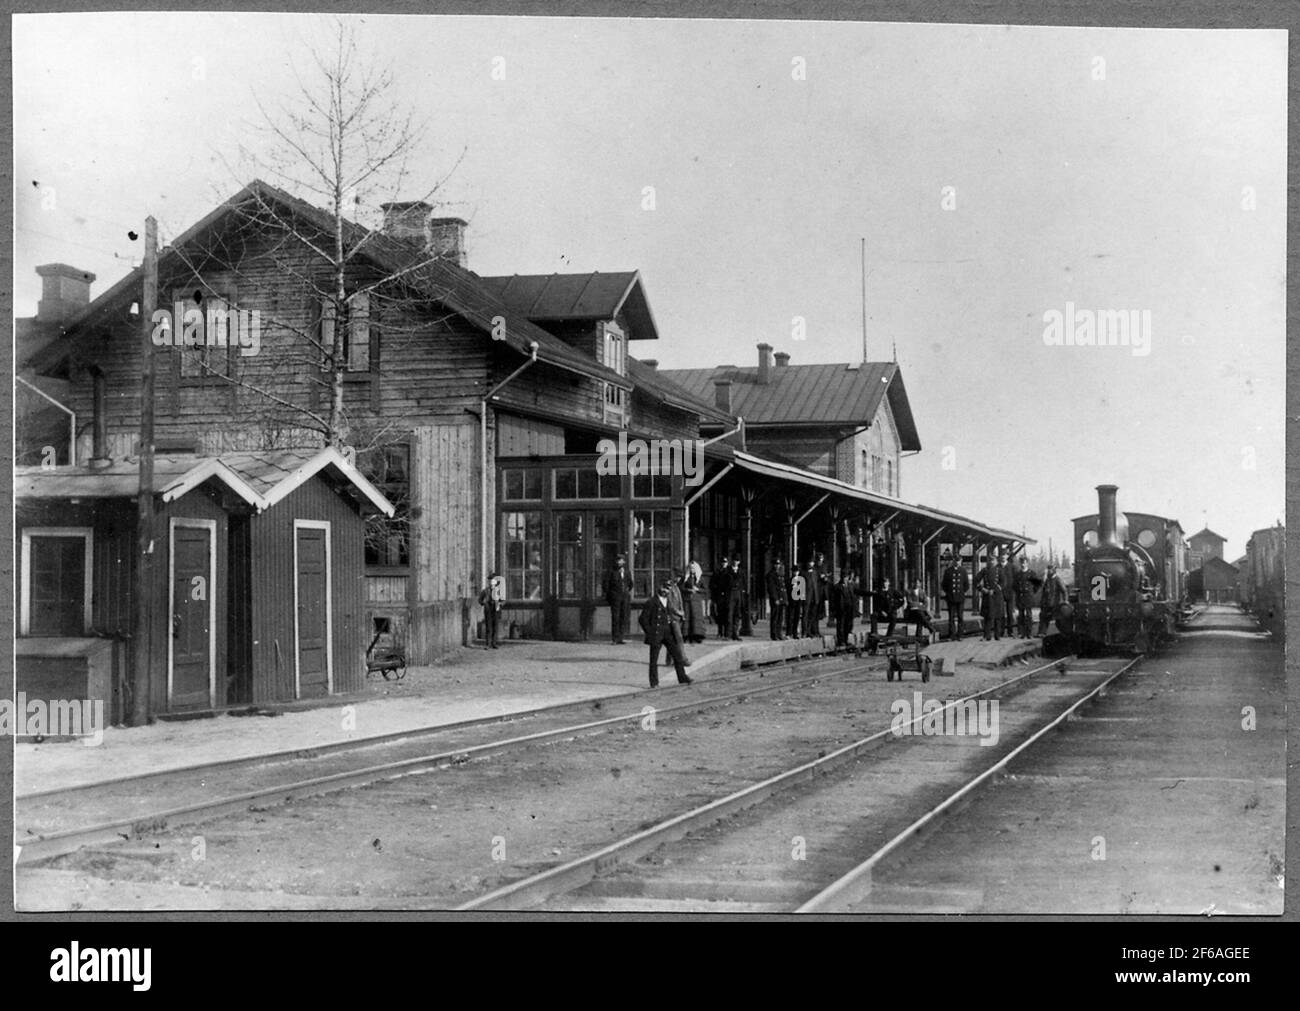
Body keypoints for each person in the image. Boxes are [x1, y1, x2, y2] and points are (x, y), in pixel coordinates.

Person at [638, 577, 692, 688]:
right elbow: (642, 619)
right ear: (659, 588)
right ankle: (654, 683)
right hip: (656, 634)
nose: (665, 591)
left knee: (677, 656)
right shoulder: (652, 602)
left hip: (667, 633)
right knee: (653, 660)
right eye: (664, 588)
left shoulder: (668, 601)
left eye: (668, 589)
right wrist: (650, 632)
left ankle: (682, 678)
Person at [603, 554, 633, 644]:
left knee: (623, 616)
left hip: (624, 597)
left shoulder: (627, 572)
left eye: (622, 561)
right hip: (615, 597)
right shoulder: (611, 571)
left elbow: (630, 583)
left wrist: (626, 592)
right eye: (618, 560)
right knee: (615, 617)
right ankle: (615, 638)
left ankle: (621, 637)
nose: (620, 562)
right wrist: (611, 594)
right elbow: (606, 584)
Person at [941, 556, 971, 640]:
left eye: (959, 561)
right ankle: (952, 635)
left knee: (960, 617)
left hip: (960, 598)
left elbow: (966, 585)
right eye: (956, 561)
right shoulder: (948, 571)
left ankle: (960, 635)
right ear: (953, 561)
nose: (957, 562)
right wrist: (948, 593)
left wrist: (962, 592)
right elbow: (944, 585)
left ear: (961, 561)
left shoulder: (963, 571)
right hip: (951, 597)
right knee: (951, 617)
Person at [680, 561, 708, 644]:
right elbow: (681, 588)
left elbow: (705, 589)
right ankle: (686, 635)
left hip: (696, 601)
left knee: (696, 617)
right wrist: (688, 590)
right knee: (687, 616)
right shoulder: (685, 578)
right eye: (691, 568)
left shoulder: (700, 578)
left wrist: (698, 590)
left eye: (693, 568)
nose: (692, 570)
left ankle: (697, 635)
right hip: (687, 600)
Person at [477, 571, 505, 649]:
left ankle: (494, 643)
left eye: (493, 580)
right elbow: (479, 600)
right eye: (490, 580)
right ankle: (487, 644)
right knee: (488, 627)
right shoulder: (485, 591)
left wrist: (500, 604)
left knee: (495, 626)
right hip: (488, 609)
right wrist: (484, 602)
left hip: (496, 609)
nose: (492, 582)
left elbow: (503, 601)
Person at [977, 555, 1003, 640]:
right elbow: (975, 581)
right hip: (987, 596)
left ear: (996, 561)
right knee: (987, 617)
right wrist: (982, 589)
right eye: (990, 560)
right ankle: (987, 635)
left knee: (997, 617)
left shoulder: (999, 571)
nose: (992, 562)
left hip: (997, 596)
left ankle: (997, 635)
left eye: (993, 560)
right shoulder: (984, 570)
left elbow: (1004, 582)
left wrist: (995, 590)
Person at [1038, 563, 1067, 636]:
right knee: (1043, 617)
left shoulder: (1057, 579)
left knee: (1059, 620)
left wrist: (1065, 600)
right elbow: (1044, 592)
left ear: (1054, 570)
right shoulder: (1047, 580)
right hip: (1047, 603)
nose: (1049, 571)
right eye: (1048, 569)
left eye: (1050, 569)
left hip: (1055, 603)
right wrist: (1042, 602)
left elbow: (1064, 590)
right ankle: (1042, 633)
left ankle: (1065, 632)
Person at [1014, 556, 1038, 639]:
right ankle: (1021, 633)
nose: (1023, 564)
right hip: (1020, 597)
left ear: (1027, 563)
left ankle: (1029, 633)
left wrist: (1031, 592)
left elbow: (1037, 586)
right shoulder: (1017, 574)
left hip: (1028, 597)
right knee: (1020, 616)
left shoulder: (1032, 574)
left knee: (1029, 615)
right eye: (1021, 563)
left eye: (1024, 563)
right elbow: (1015, 586)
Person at [831, 570, 857, 649]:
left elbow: (856, 593)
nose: (845, 579)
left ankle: (845, 640)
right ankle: (841, 641)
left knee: (847, 625)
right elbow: (833, 600)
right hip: (841, 609)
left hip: (849, 609)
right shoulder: (837, 587)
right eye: (843, 577)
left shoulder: (850, 586)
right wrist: (833, 610)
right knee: (840, 625)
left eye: (846, 577)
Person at [766, 558, 788, 640]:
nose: (777, 566)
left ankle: (779, 633)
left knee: (780, 617)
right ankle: (774, 634)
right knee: (775, 617)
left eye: (778, 564)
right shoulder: (770, 575)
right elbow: (771, 588)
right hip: (776, 599)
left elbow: (782, 587)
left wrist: (784, 599)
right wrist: (775, 598)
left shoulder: (780, 574)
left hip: (781, 598)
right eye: (775, 564)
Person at [726, 557, 746, 640]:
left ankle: (735, 633)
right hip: (730, 593)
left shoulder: (741, 571)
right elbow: (724, 583)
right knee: (729, 614)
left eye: (737, 560)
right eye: (734, 560)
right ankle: (729, 634)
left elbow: (744, 583)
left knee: (737, 614)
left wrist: (742, 593)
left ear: (739, 562)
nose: (735, 562)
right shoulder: (727, 571)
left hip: (738, 594)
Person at [712, 557, 732, 639]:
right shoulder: (717, 572)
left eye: (725, 562)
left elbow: (731, 584)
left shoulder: (729, 572)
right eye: (722, 562)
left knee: (727, 615)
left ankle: (726, 633)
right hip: (719, 596)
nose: (724, 564)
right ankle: (720, 632)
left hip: (727, 596)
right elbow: (712, 584)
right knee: (720, 615)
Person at [998, 551, 1016, 637]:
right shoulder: (997, 567)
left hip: (1010, 592)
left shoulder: (1012, 567)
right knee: (1001, 612)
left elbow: (1016, 579)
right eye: (1002, 555)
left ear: (1007, 556)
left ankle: (1010, 631)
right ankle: (1001, 631)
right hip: (1000, 592)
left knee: (1009, 612)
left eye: (1005, 555)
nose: (1003, 557)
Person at [803, 560, 823, 637]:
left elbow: (817, 584)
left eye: (812, 563)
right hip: (806, 597)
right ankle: (805, 631)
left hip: (814, 597)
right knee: (805, 614)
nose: (811, 564)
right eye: (809, 563)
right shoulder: (803, 573)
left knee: (813, 615)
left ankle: (811, 630)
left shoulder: (815, 573)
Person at [787, 565, 806, 638]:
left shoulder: (801, 581)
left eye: (797, 571)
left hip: (798, 602)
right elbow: (788, 591)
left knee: (796, 618)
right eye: (795, 571)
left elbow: (802, 592)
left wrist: (802, 602)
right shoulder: (789, 580)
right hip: (791, 601)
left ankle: (795, 633)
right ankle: (789, 633)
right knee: (790, 617)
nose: (796, 573)